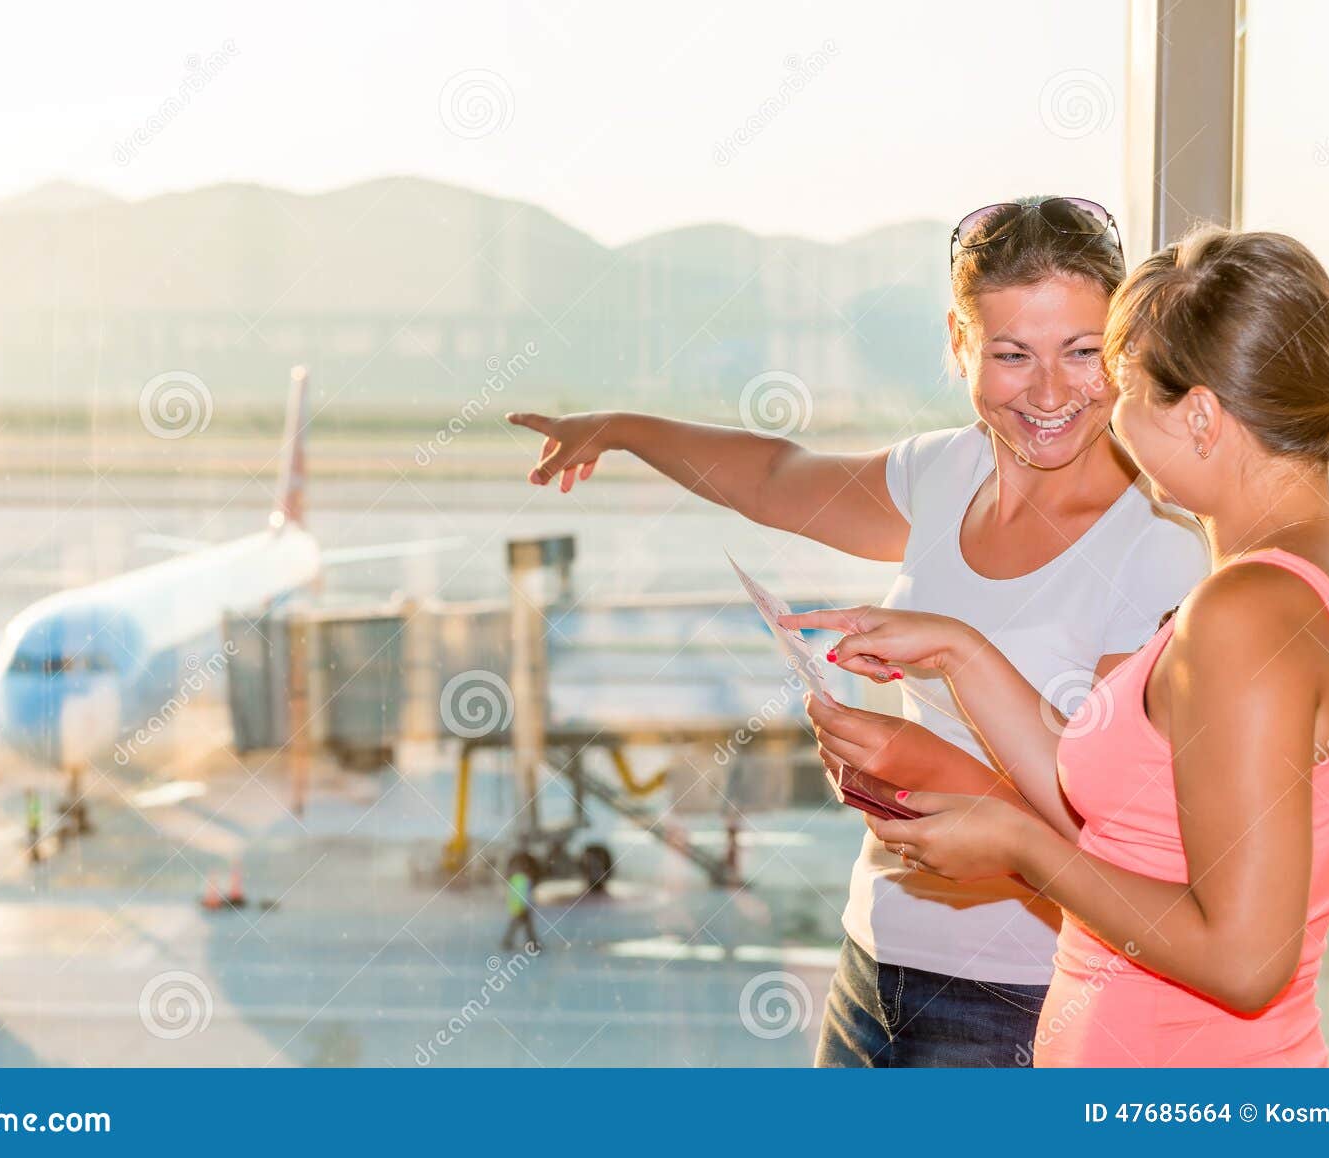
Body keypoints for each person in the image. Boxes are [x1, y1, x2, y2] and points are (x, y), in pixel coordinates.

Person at [507, 196, 1210, 1067]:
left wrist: (911, 765)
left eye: (1081, 352)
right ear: (959, 345)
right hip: (874, 961)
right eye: (1011, 354)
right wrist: (621, 428)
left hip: (1021, 1000)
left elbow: (1103, 831)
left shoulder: (1158, 543)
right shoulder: (946, 471)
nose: (1051, 391)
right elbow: (776, 477)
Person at [804, 228, 1329, 1066]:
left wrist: (1021, 848)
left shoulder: (1246, 610)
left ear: (1198, 417)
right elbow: (1142, 826)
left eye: (1126, 388)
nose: (1109, 414)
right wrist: (959, 650)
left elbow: (1246, 961)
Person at [502, 865, 542, 954]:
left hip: (517, 907)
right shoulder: (525, 880)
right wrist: (528, 905)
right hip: (523, 907)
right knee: (527, 927)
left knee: (516, 926)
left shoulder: (515, 879)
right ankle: (533, 944)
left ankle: (507, 942)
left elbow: (512, 894)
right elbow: (525, 895)